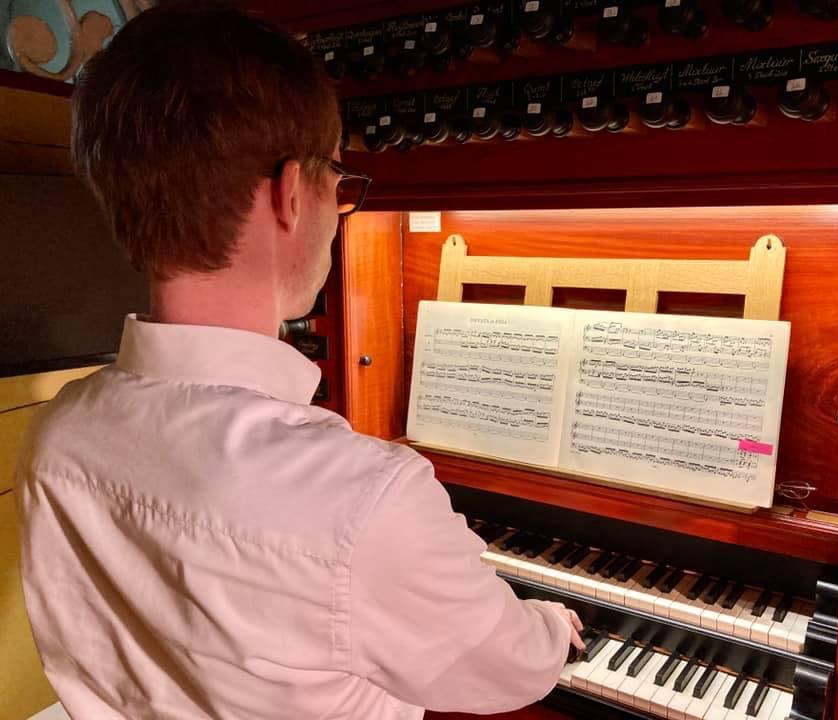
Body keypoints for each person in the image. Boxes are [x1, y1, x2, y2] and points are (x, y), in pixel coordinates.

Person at [14, 4, 584, 719]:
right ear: (291, 194)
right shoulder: (363, 501)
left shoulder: (57, 436)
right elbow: (508, 671)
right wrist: (551, 625)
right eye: (337, 182)